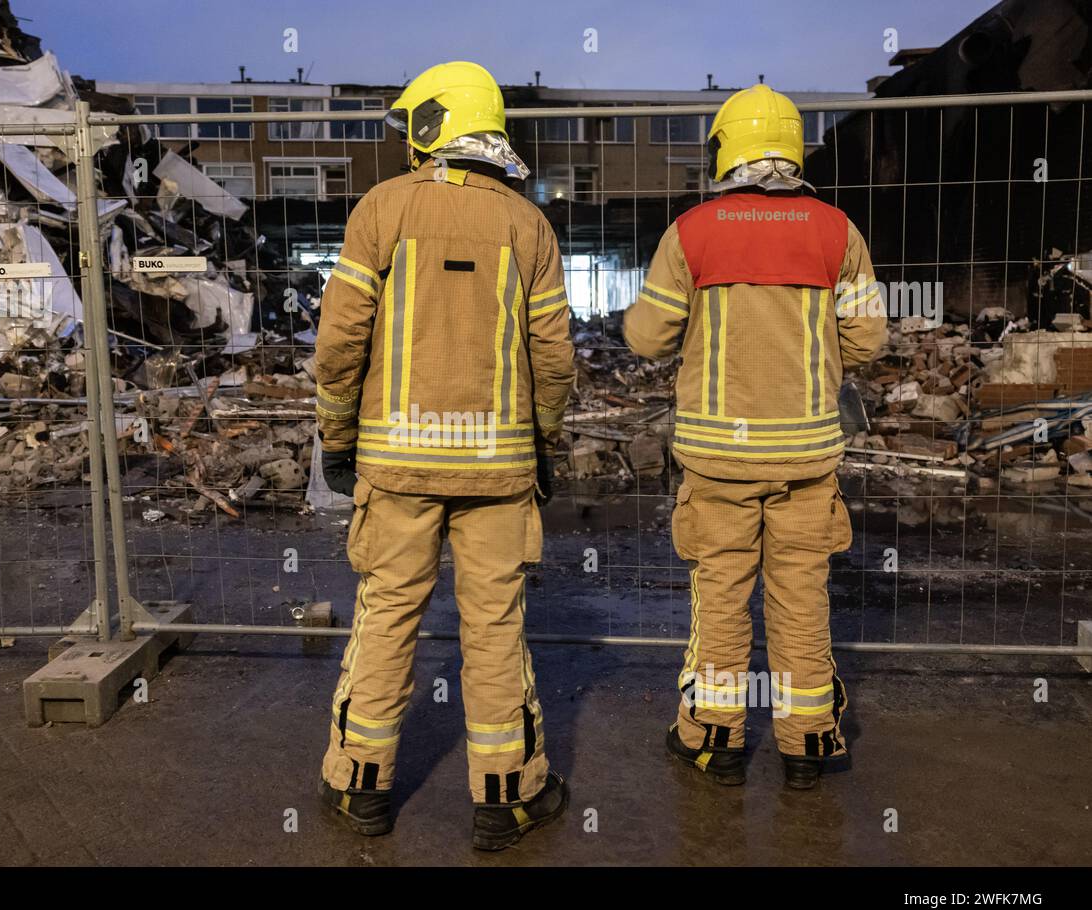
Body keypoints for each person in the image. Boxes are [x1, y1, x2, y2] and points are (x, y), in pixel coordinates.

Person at [314, 61, 576, 848]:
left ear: (432, 125)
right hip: (498, 470)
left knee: (387, 613)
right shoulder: (530, 225)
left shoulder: (380, 210)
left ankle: (361, 786)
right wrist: (545, 442)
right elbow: (555, 358)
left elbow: (338, 345)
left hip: (395, 467)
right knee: (494, 625)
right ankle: (505, 797)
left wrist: (336, 437)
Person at [624, 84, 887, 789]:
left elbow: (648, 338)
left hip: (717, 464)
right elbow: (868, 338)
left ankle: (713, 740)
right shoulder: (837, 231)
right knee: (802, 599)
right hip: (806, 457)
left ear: (727, 147)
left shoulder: (695, 232)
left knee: (721, 597)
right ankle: (808, 744)